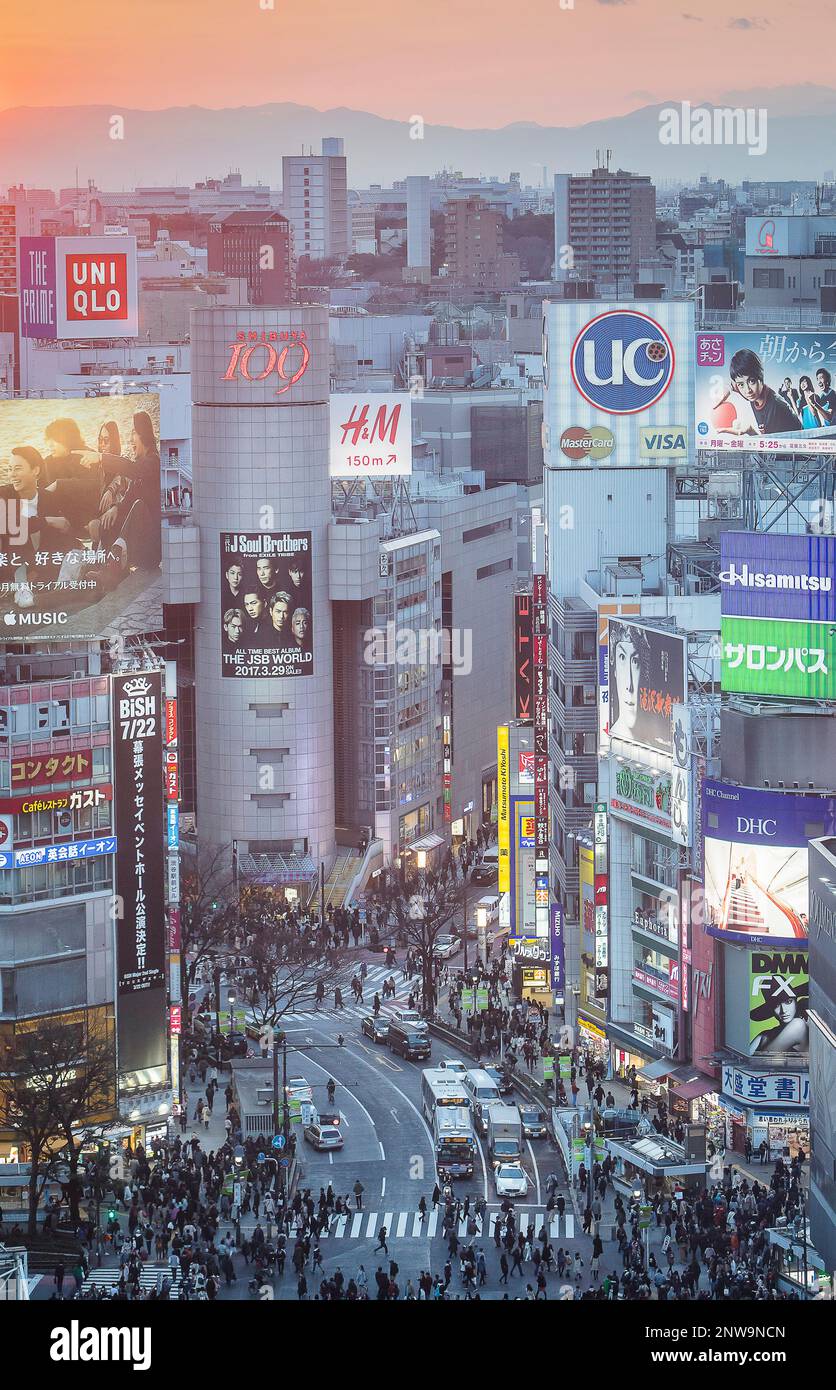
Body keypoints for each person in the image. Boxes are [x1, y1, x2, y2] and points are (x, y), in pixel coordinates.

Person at [727, 348, 803, 436]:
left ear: (760, 377)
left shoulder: (774, 406)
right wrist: (728, 388)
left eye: (752, 381)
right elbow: (734, 384)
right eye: (741, 385)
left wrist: (750, 431)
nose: (747, 390)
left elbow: (768, 446)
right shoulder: (754, 394)